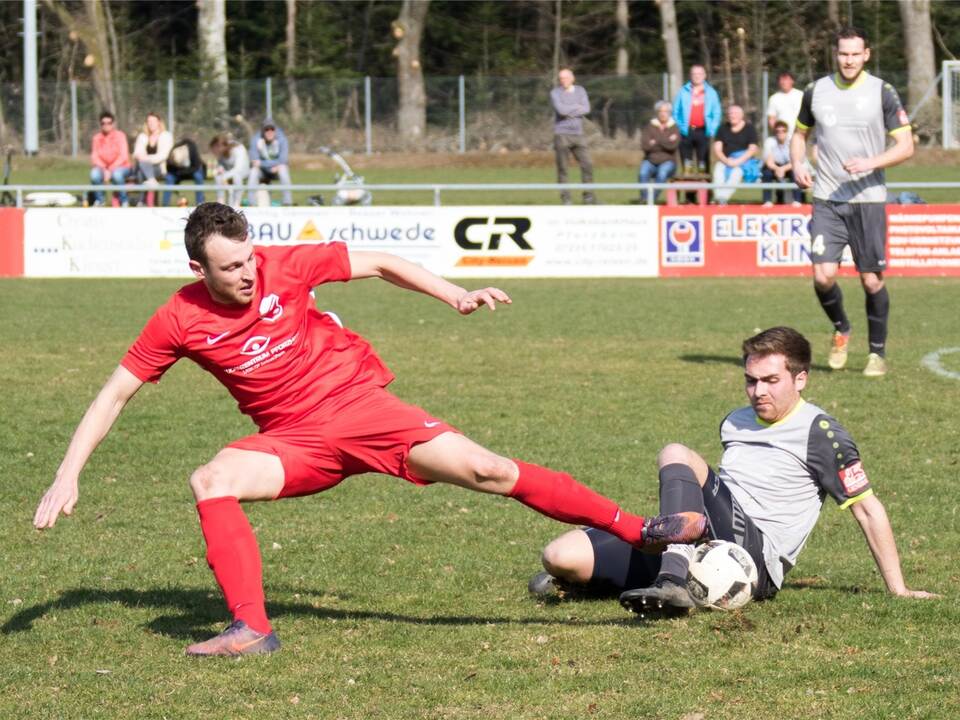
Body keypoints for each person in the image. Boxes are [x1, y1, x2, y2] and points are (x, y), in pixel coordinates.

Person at [33, 202, 702, 657]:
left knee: (490, 471)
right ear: (198, 270)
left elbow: (380, 262)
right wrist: (69, 472)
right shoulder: (177, 319)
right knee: (211, 479)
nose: (246, 273)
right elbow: (114, 393)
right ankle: (251, 628)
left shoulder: (283, 266)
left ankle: (635, 527)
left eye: (248, 260)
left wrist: (455, 295)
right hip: (293, 440)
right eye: (230, 267)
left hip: (361, 408)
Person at [530, 326, 937, 616]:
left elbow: (867, 508)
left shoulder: (821, 433)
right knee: (559, 555)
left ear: (801, 379)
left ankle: (672, 577)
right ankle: (613, 580)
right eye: (750, 380)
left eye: (771, 380)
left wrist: (898, 589)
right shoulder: (735, 421)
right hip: (706, 538)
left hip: (754, 560)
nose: (759, 391)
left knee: (676, 451)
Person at [791, 26, 913, 378]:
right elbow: (800, 135)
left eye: (855, 54)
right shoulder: (816, 91)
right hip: (827, 198)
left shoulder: (882, 92)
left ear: (866, 54)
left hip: (868, 199)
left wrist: (870, 163)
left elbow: (906, 146)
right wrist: (798, 162)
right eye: (843, 53)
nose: (849, 60)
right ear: (836, 54)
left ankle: (877, 354)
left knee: (871, 281)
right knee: (823, 276)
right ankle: (842, 328)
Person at [550, 67, 595, 205]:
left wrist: (569, 108)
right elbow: (561, 111)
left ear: (572, 78)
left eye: (566, 77)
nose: (563, 80)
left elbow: (587, 108)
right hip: (561, 134)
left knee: (587, 164)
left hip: (578, 134)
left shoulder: (580, 90)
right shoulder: (555, 93)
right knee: (563, 168)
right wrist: (577, 107)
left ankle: (589, 197)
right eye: (561, 78)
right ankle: (566, 198)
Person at [672, 65, 722, 175]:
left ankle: (706, 191)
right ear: (690, 76)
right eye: (694, 74)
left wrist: (712, 129)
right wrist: (680, 127)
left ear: (704, 75)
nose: (697, 76)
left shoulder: (711, 92)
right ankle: (690, 191)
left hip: (703, 131)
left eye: (699, 74)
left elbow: (716, 113)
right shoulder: (683, 91)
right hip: (686, 132)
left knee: (703, 164)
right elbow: (676, 112)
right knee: (687, 164)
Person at [711, 104, 759, 205]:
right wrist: (726, 161)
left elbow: (752, 149)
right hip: (725, 160)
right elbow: (717, 149)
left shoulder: (749, 128)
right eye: (730, 113)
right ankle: (720, 200)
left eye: (735, 113)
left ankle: (721, 200)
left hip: (743, 161)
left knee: (736, 174)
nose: (732, 115)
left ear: (742, 115)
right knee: (718, 172)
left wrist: (737, 161)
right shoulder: (722, 128)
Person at [638, 101, 680, 203]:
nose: (663, 113)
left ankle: (651, 199)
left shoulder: (674, 127)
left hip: (668, 161)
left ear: (669, 113)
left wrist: (655, 141)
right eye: (660, 111)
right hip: (650, 160)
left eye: (665, 111)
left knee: (662, 173)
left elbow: (672, 147)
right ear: (657, 112)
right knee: (642, 173)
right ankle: (644, 198)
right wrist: (666, 140)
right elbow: (645, 146)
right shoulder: (649, 127)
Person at [89, 111, 131, 207]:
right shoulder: (96, 138)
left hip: (121, 166)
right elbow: (95, 157)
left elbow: (123, 156)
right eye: (103, 123)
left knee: (117, 174)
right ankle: (100, 201)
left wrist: (110, 169)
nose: (106, 125)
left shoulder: (120, 136)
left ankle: (124, 201)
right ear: (100, 124)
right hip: (103, 168)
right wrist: (104, 169)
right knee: (94, 174)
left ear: (113, 124)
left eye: (109, 123)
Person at [132, 112, 174, 207]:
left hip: (159, 167)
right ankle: (151, 186)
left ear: (159, 122)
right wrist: (142, 158)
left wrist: (146, 158)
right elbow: (136, 153)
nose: (150, 123)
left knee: (142, 167)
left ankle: (141, 201)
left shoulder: (166, 135)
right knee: (141, 169)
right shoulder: (142, 136)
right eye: (148, 121)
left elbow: (163, 156)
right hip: (143, 167)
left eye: (153, 121)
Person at [247, 121, 293, 206]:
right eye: (266, 129)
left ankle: (287, 203)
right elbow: (254, 161)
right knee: (253, 171)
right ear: (262, 131)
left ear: (275, 131)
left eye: (272, 129)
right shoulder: (255, 140)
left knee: (283, 169)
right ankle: (251, 203)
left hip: (276, 170)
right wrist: (273, 164)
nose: (269, 132)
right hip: (261, 171)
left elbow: (283, 160)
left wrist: (262, 163)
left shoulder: (282, 140)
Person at [761, 120, 803, 206]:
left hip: (789, 166)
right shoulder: (770, 141)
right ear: (774, 132)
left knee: (796, 172)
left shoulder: (792, 142)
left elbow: (796, 161)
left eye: (783, 131)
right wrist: (778, 169)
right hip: (774, 166)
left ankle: (797, 201)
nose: (780, 133)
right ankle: (767, 201)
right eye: (777, 131)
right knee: (767, 173)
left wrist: (783, 169)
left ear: (787, 132)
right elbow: (769, 162)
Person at [162, 138, 206, 207]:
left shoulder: (192, 149)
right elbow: (169, 169)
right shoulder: (173, 152)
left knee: (198, 176)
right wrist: (178, 172)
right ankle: (165, 205)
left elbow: (196, 166)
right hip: (177, 172)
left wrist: (182, 172)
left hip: (192, 170)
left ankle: (200, 204)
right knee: (169, 178)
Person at [209, 133, 250, 207]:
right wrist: (219, 170)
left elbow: (238, 169)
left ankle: (237, 203)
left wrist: (224, 176)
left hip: (242, 172)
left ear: (220, 147)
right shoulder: (221, 153)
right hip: (229, 173)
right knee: (218, 176)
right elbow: (221, 165)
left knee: (236, 177)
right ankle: (220, 201)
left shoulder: (238, 149)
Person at [766, 71, 804, 137]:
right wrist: (778, 133)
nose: (783, 82)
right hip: (782, 137)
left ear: (792, 81)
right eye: (781, 80)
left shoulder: (801, 95)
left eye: (786, 79)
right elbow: (771, 119)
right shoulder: (773, 98)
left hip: (799, 134)